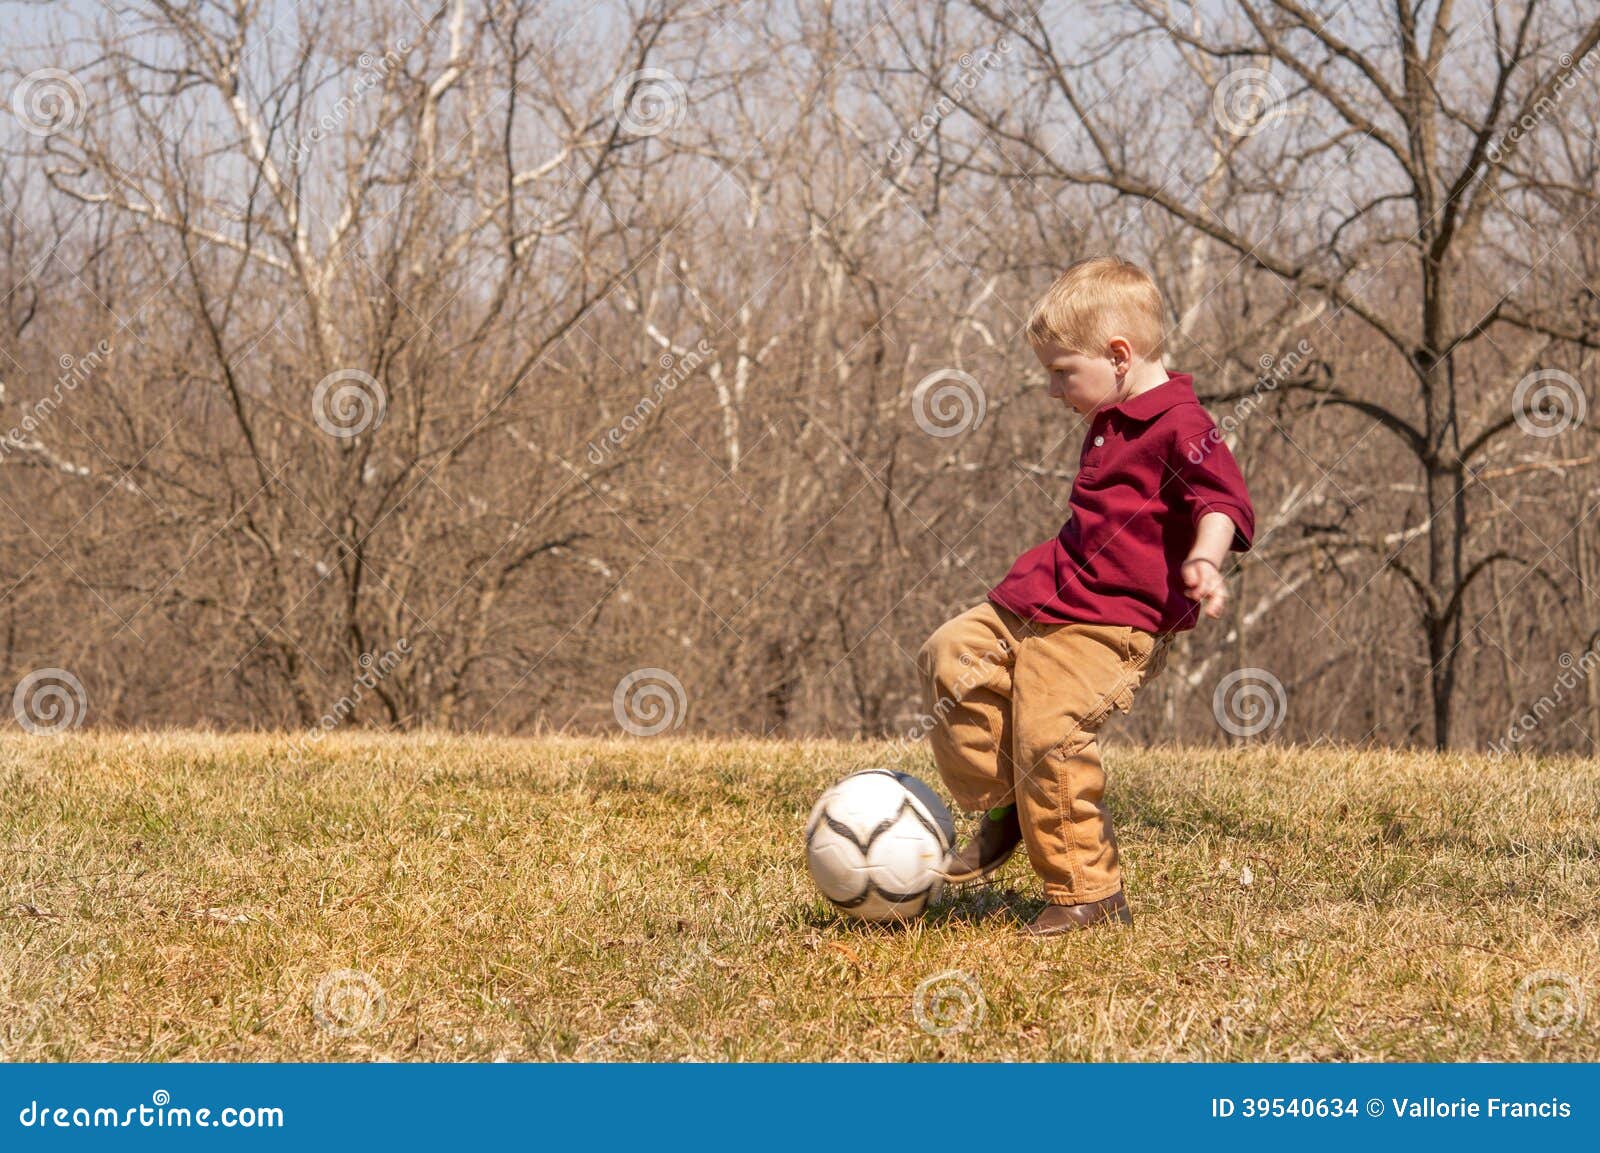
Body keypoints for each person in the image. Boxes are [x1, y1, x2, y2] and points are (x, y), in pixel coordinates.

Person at [915, 255, 1255, 937]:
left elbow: (1222, 503)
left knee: (1050, 734)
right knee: (949, 654)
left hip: (1111, 623)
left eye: (1062, 372)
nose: (1052, 388)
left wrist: (1203, 558)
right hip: (1047, 589)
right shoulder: (1112, 410)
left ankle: (1088, 893)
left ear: (1119, 355)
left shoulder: (1183, 424)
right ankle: (1007, 801)